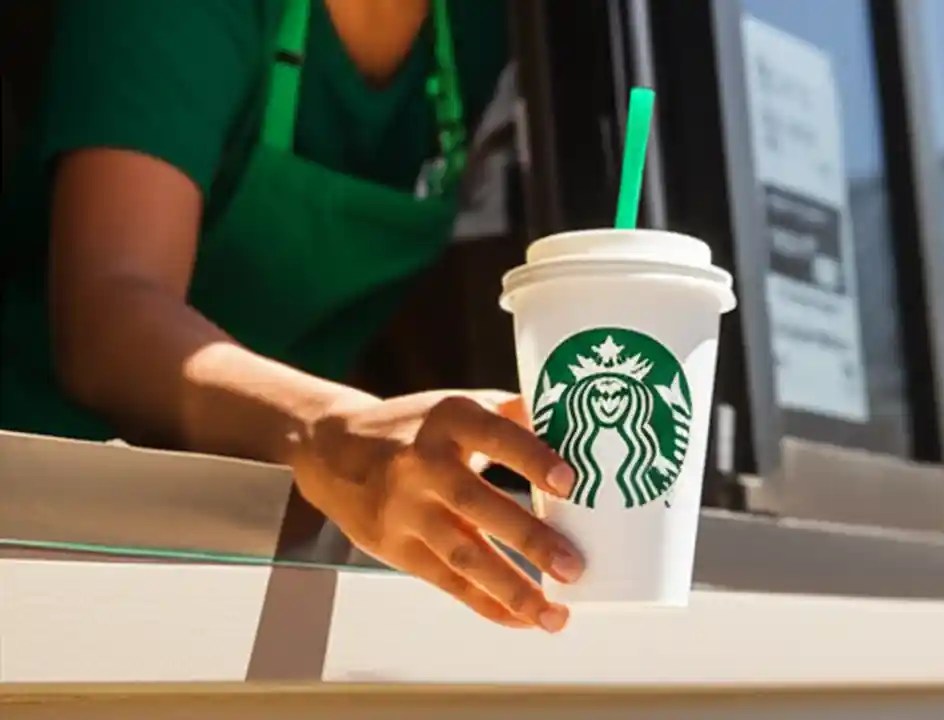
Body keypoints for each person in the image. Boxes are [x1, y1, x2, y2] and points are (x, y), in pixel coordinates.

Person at [0, 0, 583, 632]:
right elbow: (107, 317)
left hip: (267, 554)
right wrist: (336, 433)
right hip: (45, 532)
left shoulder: (489, 30)